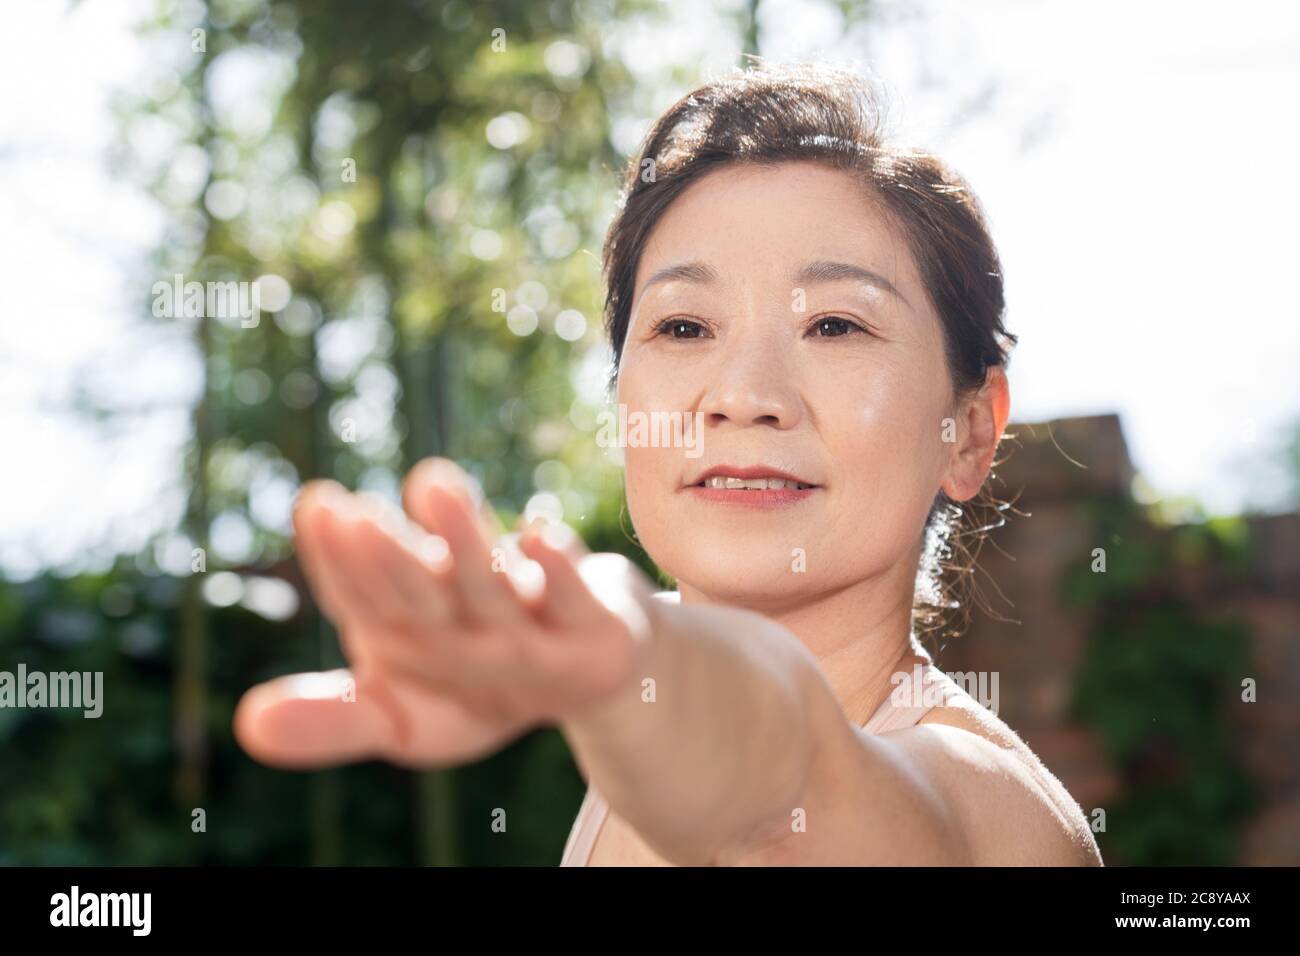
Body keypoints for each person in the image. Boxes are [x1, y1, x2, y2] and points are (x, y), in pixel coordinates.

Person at [233, 61, 1104, 867]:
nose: (743, 393)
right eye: (683, 327)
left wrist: (623, 669)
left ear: (971, 431)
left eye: (836, 325)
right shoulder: (624, 740)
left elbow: (781, 793)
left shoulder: (982, 803)